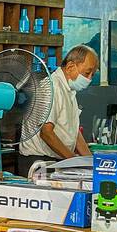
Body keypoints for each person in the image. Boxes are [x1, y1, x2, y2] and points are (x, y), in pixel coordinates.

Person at [18, 45, 98, 175]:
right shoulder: (52, 88)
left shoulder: (70, 90)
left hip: (58, 160)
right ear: (70, 66)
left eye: (92, 75)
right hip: (39, 162)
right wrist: (74, 160)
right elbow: (46, 133)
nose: (89, 79)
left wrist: (90, 163)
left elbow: (74, 133)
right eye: (87, 73)